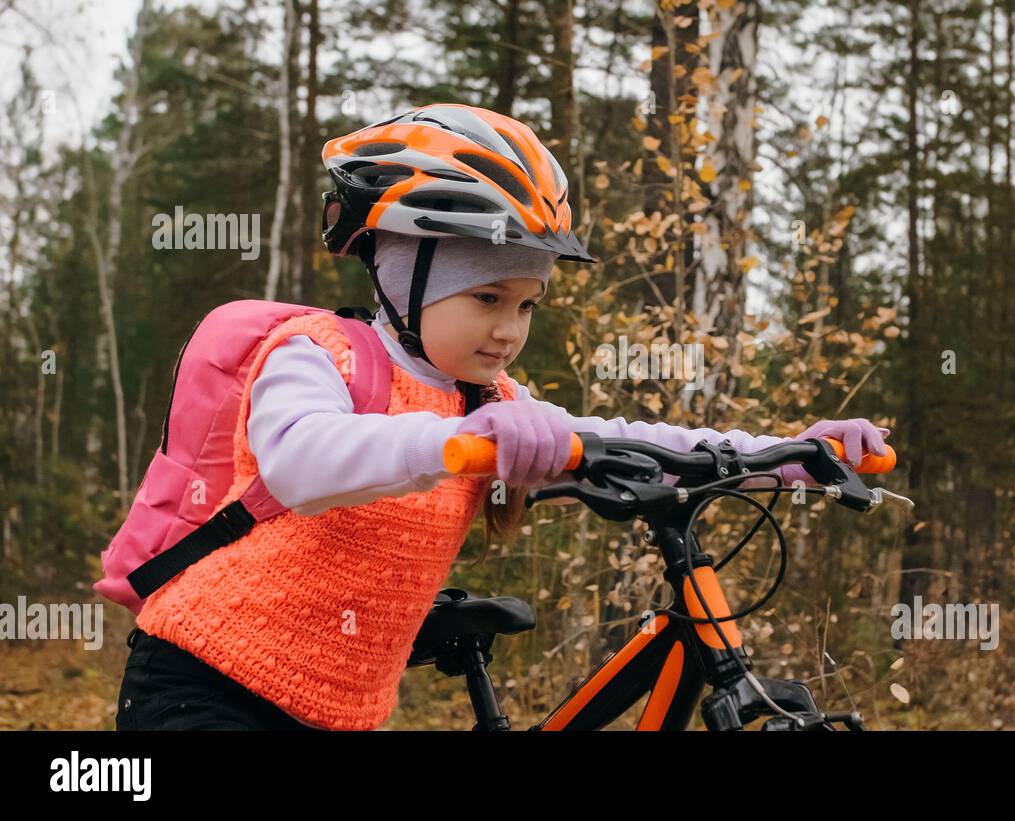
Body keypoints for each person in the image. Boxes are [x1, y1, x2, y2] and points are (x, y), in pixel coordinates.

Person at [114, 103, 890, 731]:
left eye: (527, 303)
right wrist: (461, 442)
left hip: (336, 710)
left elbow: (631, 438)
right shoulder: (322, 355)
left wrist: (792, 452)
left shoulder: (493, 403)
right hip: (203, 678)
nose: (511, 328)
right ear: (399, 272)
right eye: (487, 297)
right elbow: (299, 458)